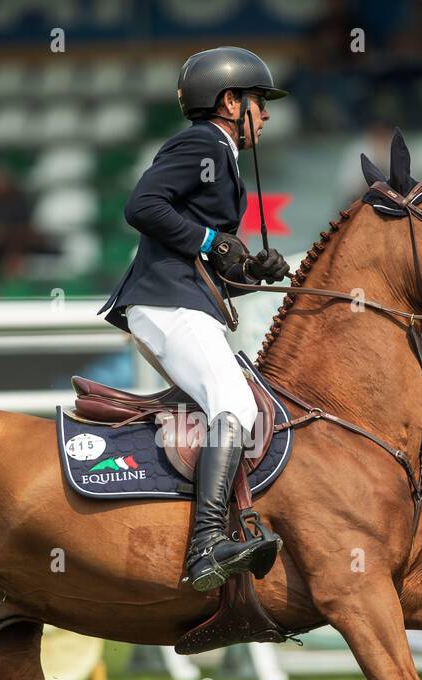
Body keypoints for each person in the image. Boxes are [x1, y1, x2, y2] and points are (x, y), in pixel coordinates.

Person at [97, 47, 289, 592]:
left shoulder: (219, 153)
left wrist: (250, 266)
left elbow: (206, 253)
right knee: (234, 403)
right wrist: (212, 240)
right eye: (259, 102)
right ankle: (205, 546)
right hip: (166, 302)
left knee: (229, 402)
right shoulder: (204, 142)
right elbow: (143, 206)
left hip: (177, 299)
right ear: (231, 101)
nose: (266, 114)